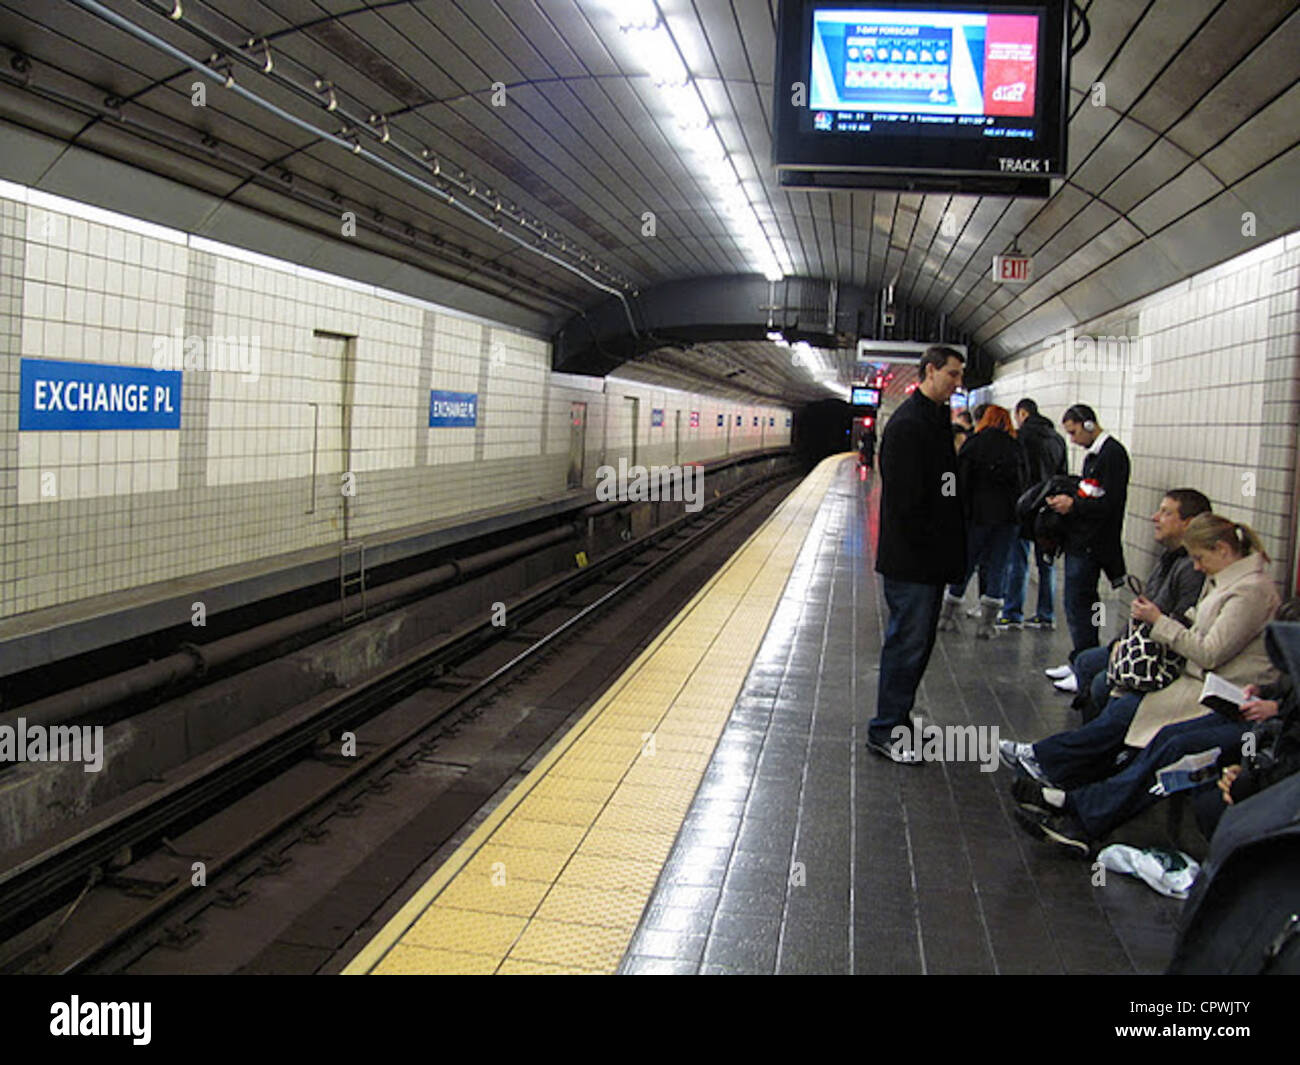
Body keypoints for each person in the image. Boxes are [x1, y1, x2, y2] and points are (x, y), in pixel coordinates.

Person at [1001, 516, 1280, 851]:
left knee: (1154, 732)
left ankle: (1074, 799)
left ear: (1221, 550)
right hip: (1203, 688)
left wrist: (1159, 622)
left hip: (1223, 696)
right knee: (1132, 714)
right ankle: (1071, 793)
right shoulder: (1226, 580)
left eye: (1200, 558)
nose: (1196, 566)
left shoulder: (1250, 592)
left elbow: (1209, 652)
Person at [869, 346, 967, 764]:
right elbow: (906, 501)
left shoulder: (936, 420)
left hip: (931, 558)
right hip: (913, 561)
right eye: (952, 374)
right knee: (906, 644)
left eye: (960, 375)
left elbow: (946, 480)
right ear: (929, 371)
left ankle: (900, 719)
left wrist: (950, 504)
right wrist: (939, 526)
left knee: (919, 644)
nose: (957, 383)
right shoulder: (909, 426)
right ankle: (885, 730)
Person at [1061, 488, 1210, 707]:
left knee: (1100, 681)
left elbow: (1181, 624)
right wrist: (1118, 643)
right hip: (1142, 642)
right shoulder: (1169, 556)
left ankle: (1101, 732)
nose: (1155, 518)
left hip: (1159, 657)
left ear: (1188, 523)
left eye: (1165, 512)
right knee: (1085, 661)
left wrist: (1144, 626)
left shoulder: (1190, 568)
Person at [1042, 404, 1130, 683]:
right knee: (1076, 603)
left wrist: (1074, 505)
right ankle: (1081, 659)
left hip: (1093, 542)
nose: (1072, 440)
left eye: (1074, 432)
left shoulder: (1112, 455)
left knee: (1082, 603)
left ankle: (1086, 667)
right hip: (1080, 540)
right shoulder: (1095, 455)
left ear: (1089, 424)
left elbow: (1110, 502)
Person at [1193, 615, 1300, 840]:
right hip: (1260, 738)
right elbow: (1284, 685)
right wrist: (1262, 691)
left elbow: (1288, 762)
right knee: (1228, 755)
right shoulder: (1290, 672)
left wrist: (1244, 783)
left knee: (1211, 803)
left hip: (1275, 762)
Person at [937, 405, 1027, 639]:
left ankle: (947, 617)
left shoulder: (973, 444)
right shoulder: (1015, 447)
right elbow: (1023, 485)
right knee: (998, 567)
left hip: (976, 517)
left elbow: (958, 480)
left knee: (966, 564)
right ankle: (987, 626)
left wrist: (956, 509)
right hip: (1007, 519)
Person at [998, 398, 1066, 631]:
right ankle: (1046, 615)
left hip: (1024, 508)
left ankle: (1012, 613)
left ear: (1023, 413)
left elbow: (1015, 475)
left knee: (1018, 562)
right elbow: (1062, 476)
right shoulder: (1057, 439)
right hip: (1048, 510)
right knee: (1047, 563)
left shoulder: (1020, 437)